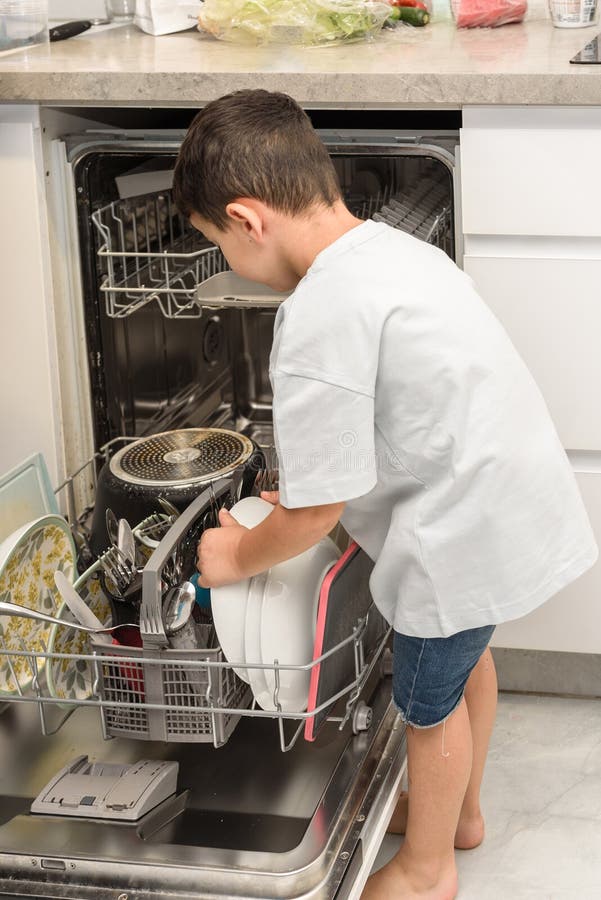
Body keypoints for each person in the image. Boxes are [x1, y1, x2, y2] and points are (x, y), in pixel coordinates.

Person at [172, 90, 598, 900]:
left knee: (425, 706)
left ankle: (428, 869)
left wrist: (232, 554)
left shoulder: (316, 319)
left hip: (458, 540)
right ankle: (462, 817)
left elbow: (312, 515)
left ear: (248, 219)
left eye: (215, 244)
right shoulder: (392, 253)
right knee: (468, 666)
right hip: (502, 503)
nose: (226, 261)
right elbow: (388, 413)